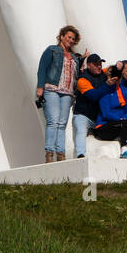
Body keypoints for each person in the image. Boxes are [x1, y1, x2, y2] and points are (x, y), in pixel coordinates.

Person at [36, 25, 83, 163]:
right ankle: (49, 154)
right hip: (52, 89)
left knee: (62, 124)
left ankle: (61, 154)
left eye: (73, 39)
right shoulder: (52, 50)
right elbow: (42, 68)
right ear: (62, 36)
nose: (71, 40)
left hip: (67, 93)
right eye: (69, 37)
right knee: (53, 121)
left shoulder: (74, 57)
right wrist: (40, 87)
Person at [93, 61, 127, 154]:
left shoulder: (124, 90)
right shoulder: (104, 91)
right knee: (125, 124)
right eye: (114, 79)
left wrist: (125, 118)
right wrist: (121, 119)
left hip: (120, 123)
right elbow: (106, 113)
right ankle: (124, 150)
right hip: (104, 126)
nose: (116, 81)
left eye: (118, 79)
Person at [71, 53, 108, 159]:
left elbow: (113, 69)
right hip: (83, 115)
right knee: (81, 130)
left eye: (100, 64)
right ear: (89, 65)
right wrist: (107, 85)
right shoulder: (82, 80)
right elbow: (94, 95)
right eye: (96, 64)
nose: (99, 66)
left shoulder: (103, 74)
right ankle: (80, 154)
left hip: (98, 117)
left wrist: (119, 65)